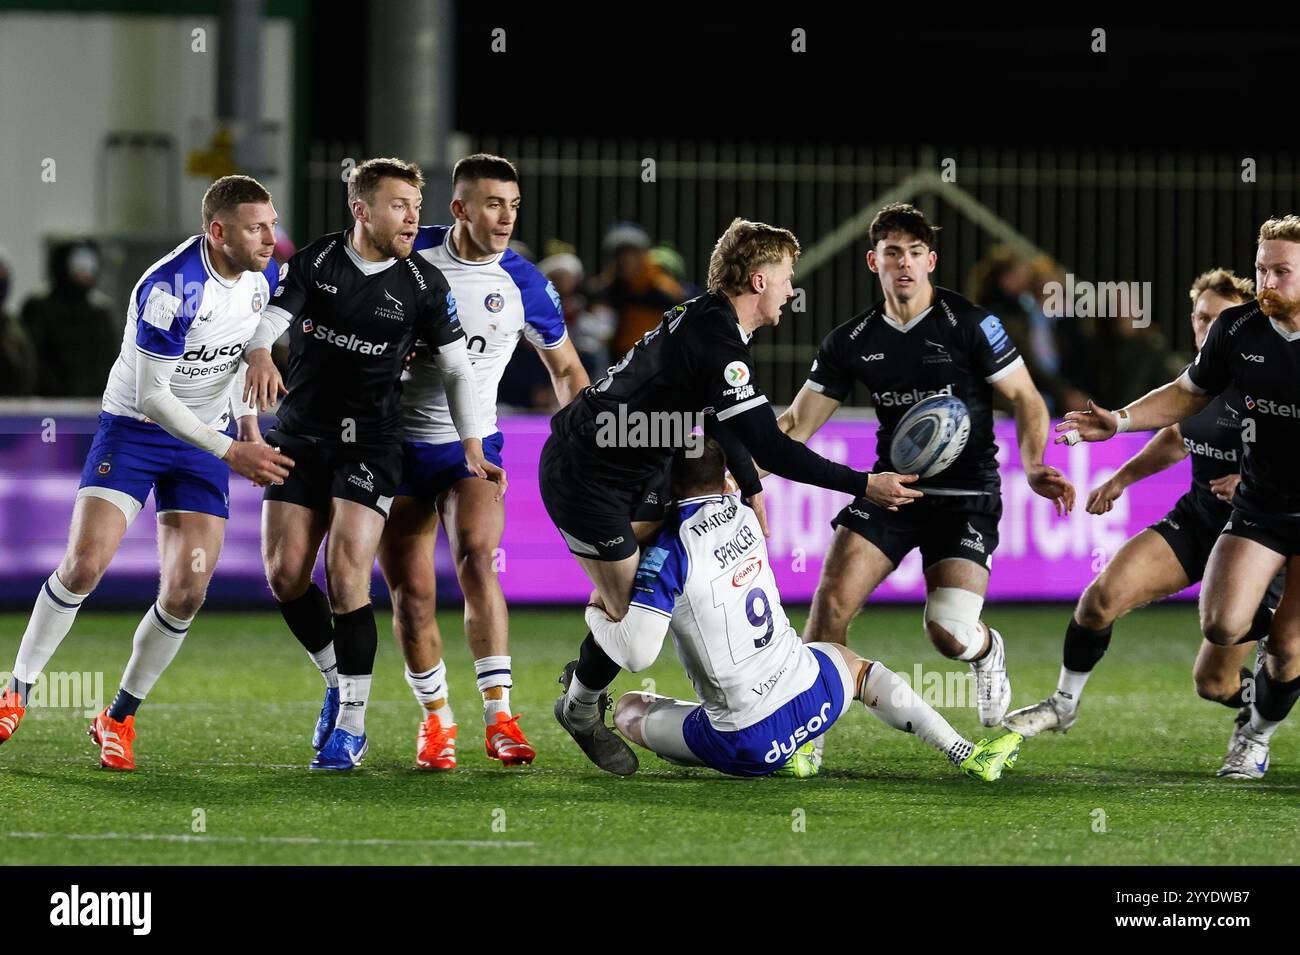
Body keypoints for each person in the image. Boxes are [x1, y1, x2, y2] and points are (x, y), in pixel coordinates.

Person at [543, 217, 920, 775]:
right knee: (634, 631)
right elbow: (771, 440)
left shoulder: (715, 326)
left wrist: (751, 484)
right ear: (760, 280)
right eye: (788, 275)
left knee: (647, 600)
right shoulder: (717, 338)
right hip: (586, 476)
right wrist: (865, 483)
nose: (793, 289)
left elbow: (722, 421)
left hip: (641, 466)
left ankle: (585, 689)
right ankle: (578, 707)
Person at [0, 176, 293, 769]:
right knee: (84, 566)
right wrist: (231, 451)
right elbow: (154, 397)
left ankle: (117, 718)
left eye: (272, 223)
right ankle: (16, 692)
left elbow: (237, 359)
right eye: (256, 227)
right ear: (218, 231)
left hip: (205, 439)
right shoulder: (170, 289)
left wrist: (251, 429)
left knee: (187, 592)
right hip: (135, 429)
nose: (270, 237)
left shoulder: (261, 279)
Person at [241, 157, 503, 771]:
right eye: (398, 206)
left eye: (417, 205)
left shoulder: (421, 285)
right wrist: (258, 350)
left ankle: (352, 727)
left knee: (346, 570)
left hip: (372, 444)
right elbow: (271, 323)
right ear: (362, 211)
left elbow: (458, 368)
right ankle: (337, 680)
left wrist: (471, 445)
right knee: (284, 576)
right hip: (301, 437)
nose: (414, 217)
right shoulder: (316, 261)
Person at [775, 203, 1075, 731]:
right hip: (891, 491)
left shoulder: (972, 325)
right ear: (874, 262)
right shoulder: (851, 341)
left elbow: (1028, 399)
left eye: (915, 253)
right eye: (893, 254)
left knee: (949, 632)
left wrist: (1033, 465)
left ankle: (986, 652)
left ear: (931, 260)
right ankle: (807, 737)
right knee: (827, 614)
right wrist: (737, 464)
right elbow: (798, 422)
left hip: (965, 498)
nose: (905, 264)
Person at [587, 439, 1023, 781]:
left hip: (745, 739)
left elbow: (637, 654)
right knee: (853, 666)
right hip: (813, 695)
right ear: (723, 481)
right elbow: (752, 461)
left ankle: (764, 756)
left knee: (630, 708)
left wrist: (595, 612)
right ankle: (965, 752)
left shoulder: (669, 551)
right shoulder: (745, 512)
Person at [1005, 269, 1284, 776]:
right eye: (1199, 318)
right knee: (1099, 601)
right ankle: (1064, 704)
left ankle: (1260, 712)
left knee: (1216, 683)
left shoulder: (1270, 375)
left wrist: (1251, 479)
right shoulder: (1197, 379)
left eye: (1217, 319)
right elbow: (1177, 437)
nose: (1206, 329)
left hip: (1264, 533)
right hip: (1200, 523)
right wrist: (1121, 479)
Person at [378, 154, 589, 770]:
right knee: (411, 593)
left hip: (475, 449)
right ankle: (436, 720)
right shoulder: (410, 263)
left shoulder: (524, 282)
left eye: (513, 205)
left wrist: (584, 441)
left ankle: (499, 717)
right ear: (459, 209)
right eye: (493, 204)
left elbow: (568, 368)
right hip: (397, 449)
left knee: (477, 557)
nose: (505, 217)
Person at [22, 241, 119, 397]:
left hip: (90, 406)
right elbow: (31, 361)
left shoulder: (100, 314)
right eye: (78, 269)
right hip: (44, 405)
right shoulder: (39, 309)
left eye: (89, 269)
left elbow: (107, 364)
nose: (84, 275)